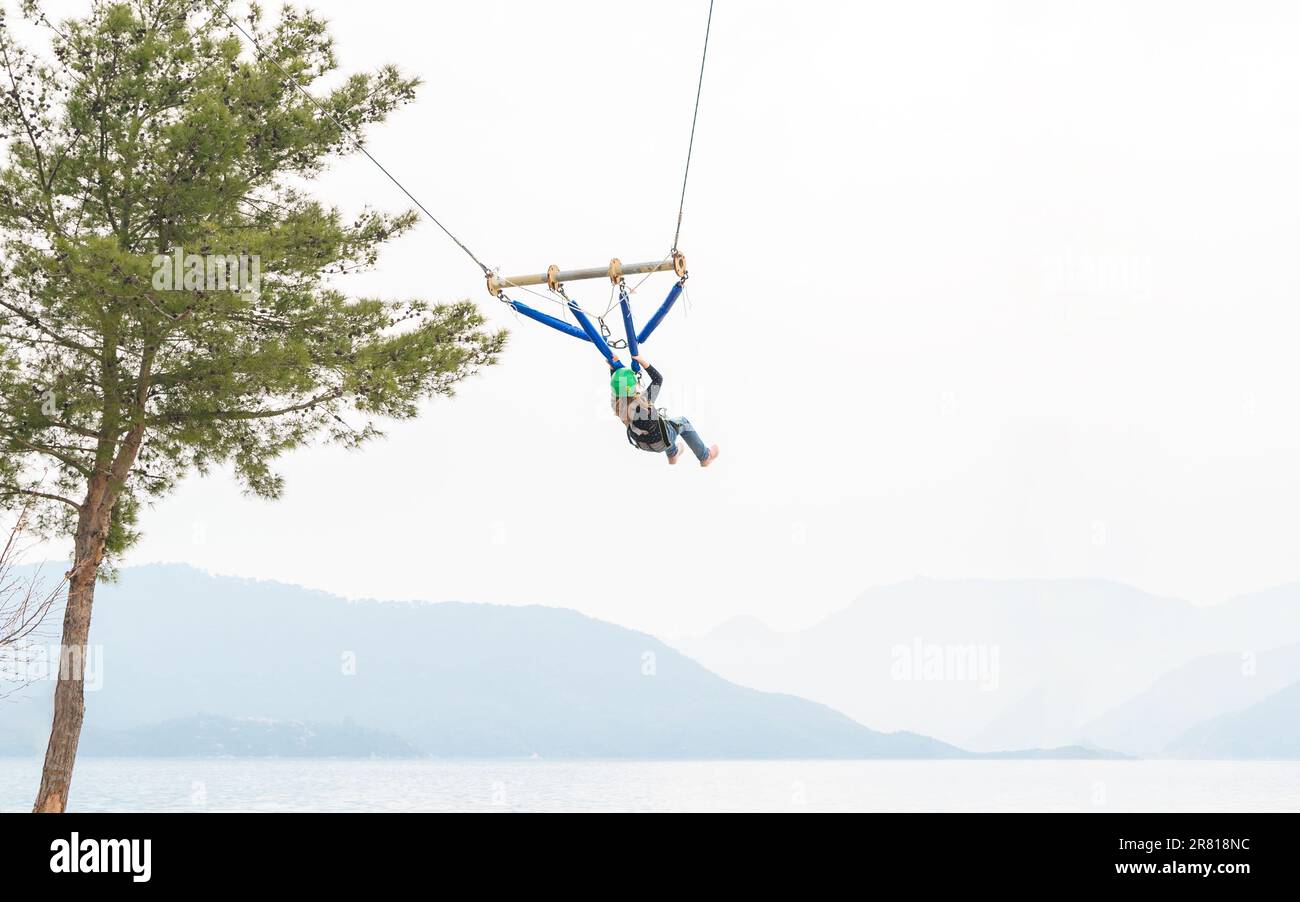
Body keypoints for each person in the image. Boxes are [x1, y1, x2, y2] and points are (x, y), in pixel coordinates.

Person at [610, 355, 719, 467]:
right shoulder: (643, 401)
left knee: (663, 425)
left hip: (643, 445)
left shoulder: (618, 406)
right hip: (663, 440)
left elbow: (619, 386)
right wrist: (641, 360)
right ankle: (705, 457)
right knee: (682, 422)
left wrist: (613, 367)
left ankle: (673, 454)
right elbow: (658, 379)